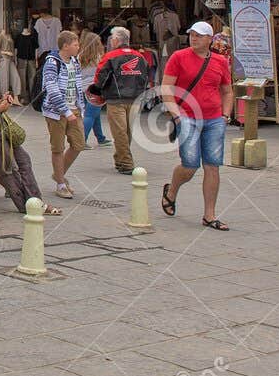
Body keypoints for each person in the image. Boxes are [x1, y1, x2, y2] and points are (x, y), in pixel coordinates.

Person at [0, 44, 59, 215]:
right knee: (10, 166)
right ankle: (29, 204)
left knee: (20, 161)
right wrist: (6, 104)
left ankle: (34, 201)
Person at [160, 21, 235, 231]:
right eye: (192, 34)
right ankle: (172, 189)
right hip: (187, 117)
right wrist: (176, 114)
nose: (194, 38)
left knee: (212, 165)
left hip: (214, 119)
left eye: (199, 35)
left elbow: (227, 91)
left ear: (210, 39)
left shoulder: (220, 61)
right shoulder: (179, 57)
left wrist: (225, 116)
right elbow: (167, 87)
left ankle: (209, 215)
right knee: (190, 165)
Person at [87, 26, 153, 175]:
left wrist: (98, 91)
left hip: (116, 99)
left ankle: (125, 163)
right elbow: (147, 77)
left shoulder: (110, 56)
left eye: (112, 39)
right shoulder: (140, 56)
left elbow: (100, 77)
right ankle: (120, 158)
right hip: (135, 98)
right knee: (127, 131)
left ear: (116, 40)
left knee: (120, 131)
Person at [39, 29, 83, 200]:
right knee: (58, 147)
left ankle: (58, 174)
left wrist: (80, 106)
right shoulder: (52, 62)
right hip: (55, 112)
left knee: (78, 144)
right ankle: (60, 184)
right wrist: (65, 110)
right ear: (65, 46)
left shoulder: (75, 61)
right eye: (75, 44)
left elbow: (77, 84)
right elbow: (51, 88)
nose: (78, 47)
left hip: (75, 109)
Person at [78, 30, 109, 147]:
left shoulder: (79, 56)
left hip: (82, 88)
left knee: (94, 114)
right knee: (90, 115)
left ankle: (100, 137)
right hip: (95, 89)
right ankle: (82, 140)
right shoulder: (100, 58)